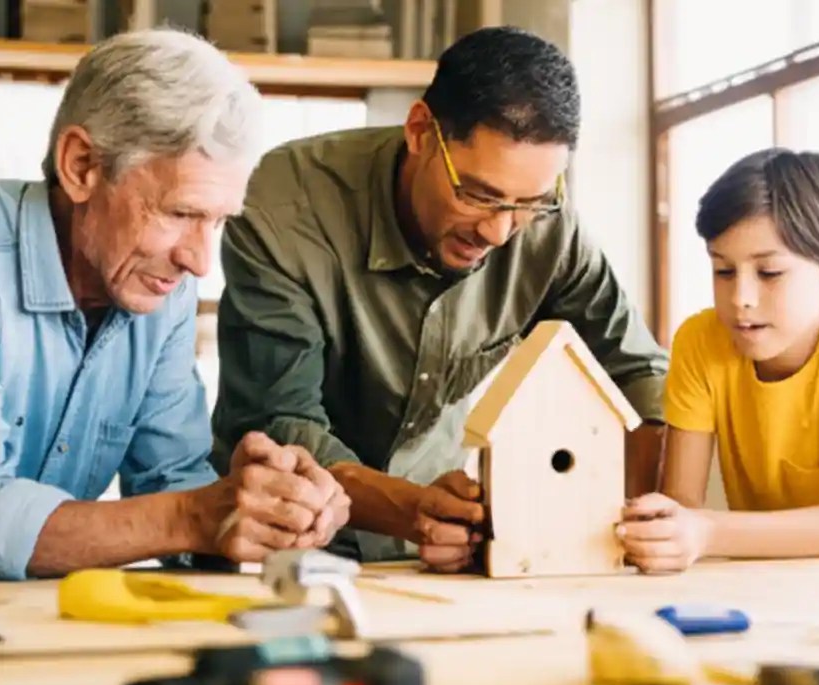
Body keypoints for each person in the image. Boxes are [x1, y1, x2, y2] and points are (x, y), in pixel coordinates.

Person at [0, 29, 349, 580]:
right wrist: (199, 513)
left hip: (18, 619)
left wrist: (265, 509)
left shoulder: (158, 285)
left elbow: (175, 485)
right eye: (179, 212)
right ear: (80, 166)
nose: (198, 261)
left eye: (218, 221)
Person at [213, 26, 668, 572]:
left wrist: (657, 517)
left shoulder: (548, 228)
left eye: (530, 202)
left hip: (444, 549)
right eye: (478, 194)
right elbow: (281, 419)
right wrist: (412, 510)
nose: (500, 232)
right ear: (420, 130)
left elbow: (642, 375)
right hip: (285, 541)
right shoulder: (284, 205)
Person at [616, 148, 819, 574]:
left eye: (769, 273)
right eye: (723, 271)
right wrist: (661, 534)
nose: (741, 299)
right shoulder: (699, 341)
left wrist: (708, 532)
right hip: (777, 581)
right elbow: (683, 505)